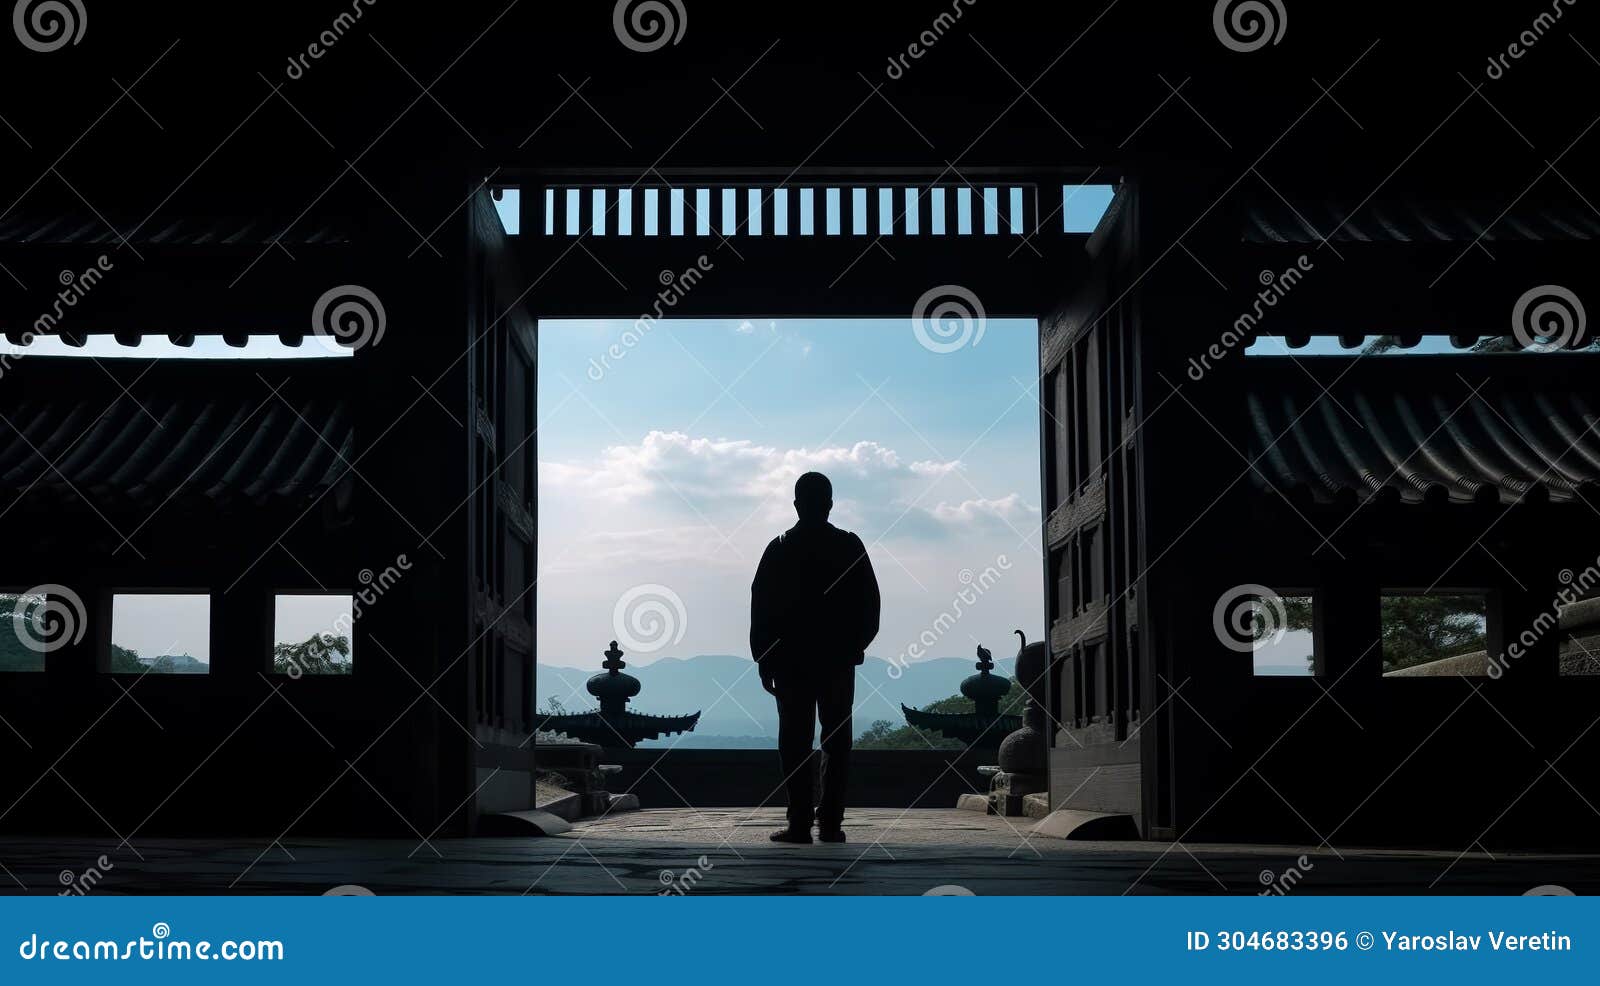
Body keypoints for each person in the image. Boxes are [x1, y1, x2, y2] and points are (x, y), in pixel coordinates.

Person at [749, 472, 881, 844]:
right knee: (837, 740)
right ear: (830, 504)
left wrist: (764, 656)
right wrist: (855, 646)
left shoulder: (779, 548)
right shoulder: (849, 546)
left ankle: (799, 822)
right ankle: (831, 822)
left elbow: (762, 607)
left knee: (794, 739)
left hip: (791, 662)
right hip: (837, 661)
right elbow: (870, 604)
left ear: (796, 504)